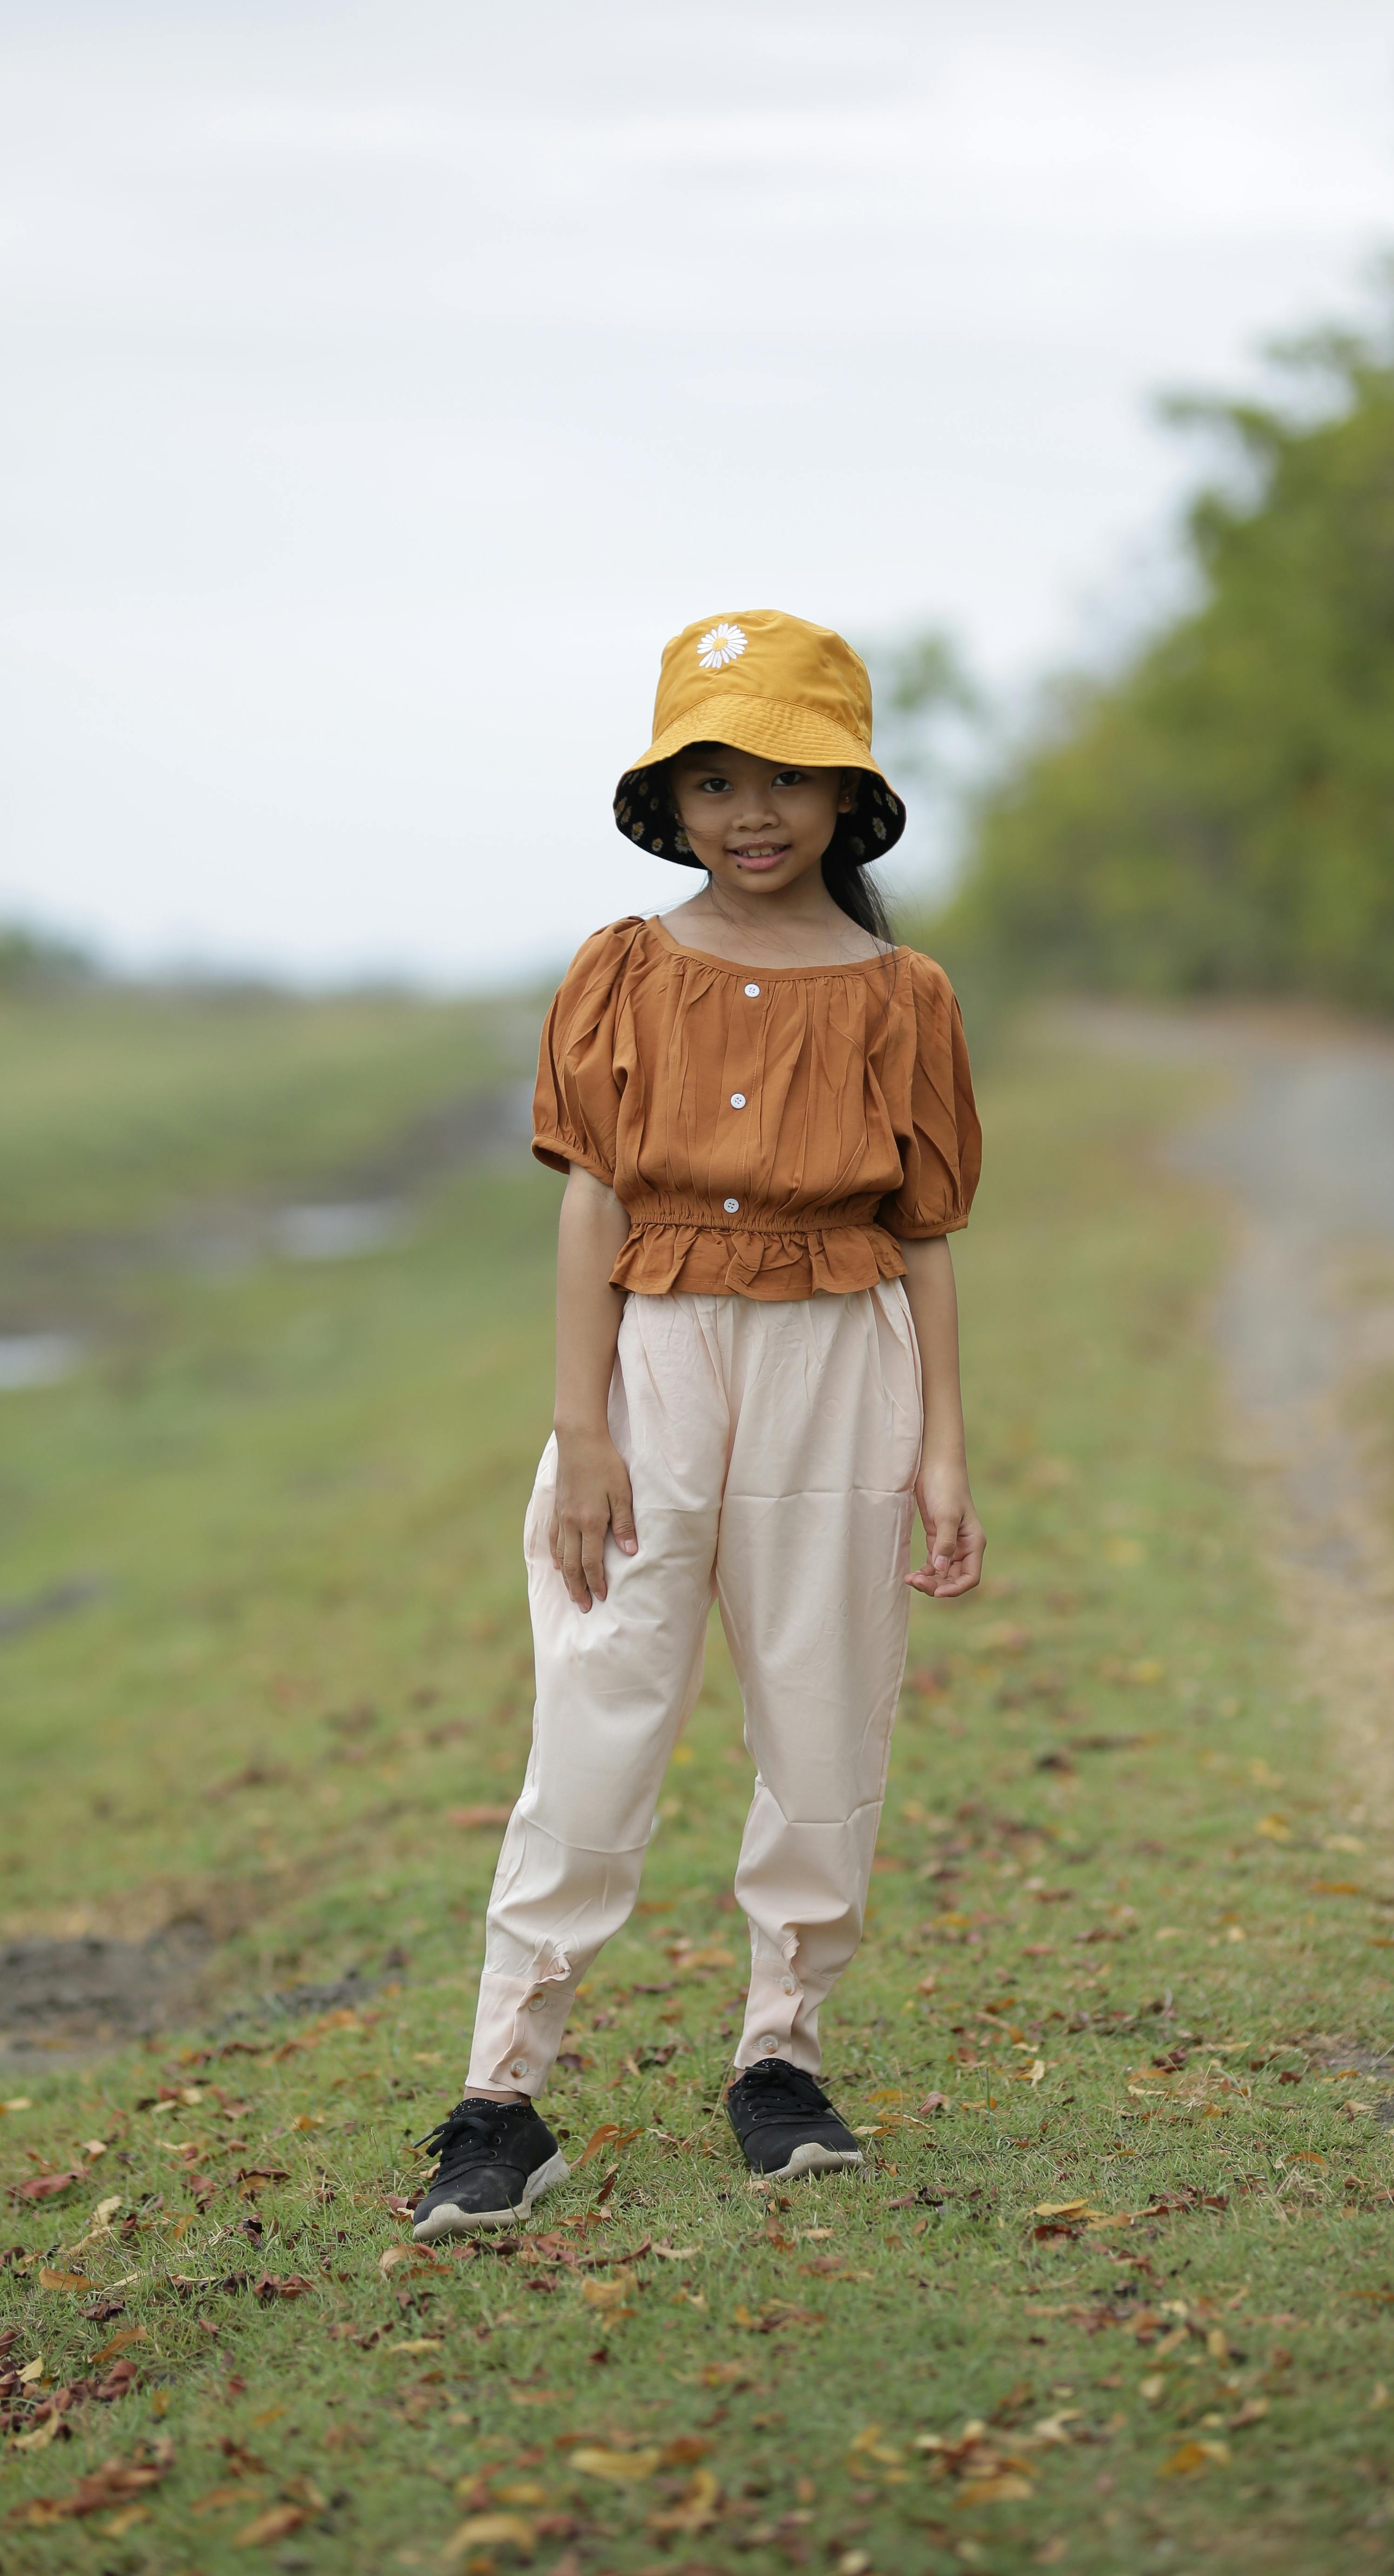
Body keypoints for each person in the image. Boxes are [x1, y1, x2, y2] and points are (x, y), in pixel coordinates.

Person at [412, 608, 984, 2239]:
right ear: (668, 799)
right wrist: (580, 1430)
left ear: (849, 801)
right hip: (653, 1370)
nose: (753, 811)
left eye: (789, 777)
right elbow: (594, 1205)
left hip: (841, 1367)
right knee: (598, 1708)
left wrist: (944, 1445)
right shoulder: (624, 973)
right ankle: (501, 2099)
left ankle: (780, 2063)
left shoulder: (904, 993)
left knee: (824, 1714)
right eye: (716, 778)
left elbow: (926, 1228)